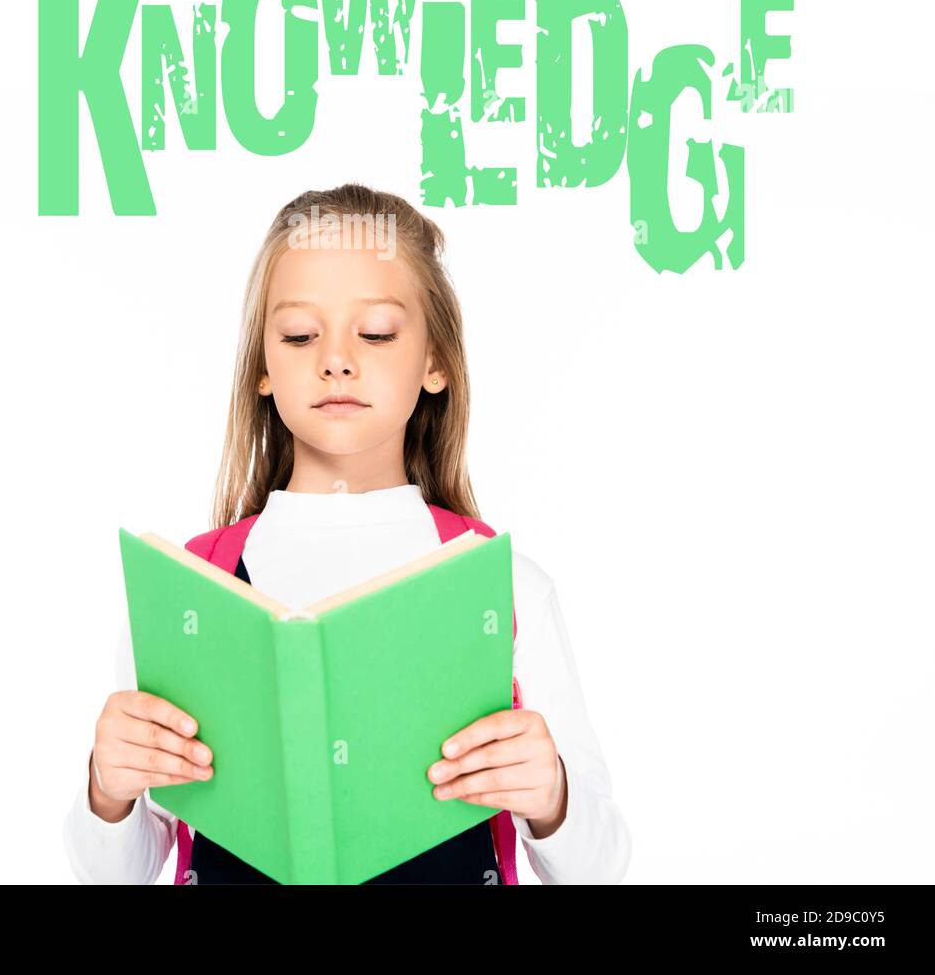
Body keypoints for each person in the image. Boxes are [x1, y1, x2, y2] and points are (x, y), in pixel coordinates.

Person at [63, 182, 631, 884]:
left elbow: (599, 867)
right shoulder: (187, 586)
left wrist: (551, 796)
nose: (336, 359)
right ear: (263, 368)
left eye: (377, 333)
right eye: (300, 335)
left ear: (434, 362)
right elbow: (119, 872)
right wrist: (107, 790)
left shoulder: (504, 583)